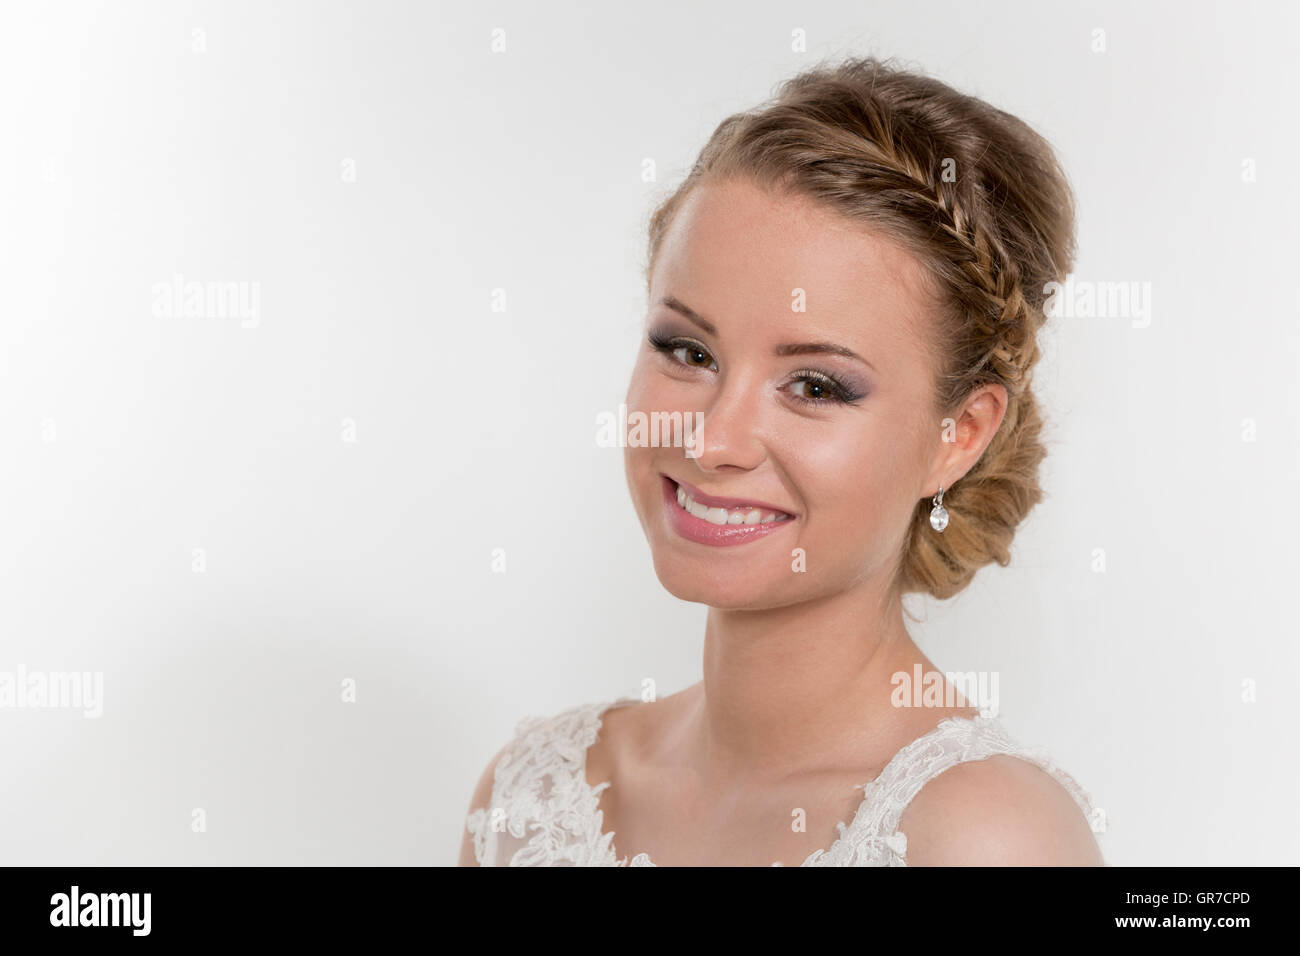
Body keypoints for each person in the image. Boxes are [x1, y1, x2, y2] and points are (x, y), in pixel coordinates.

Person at [459, 55, 1104, 867]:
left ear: (959, 435)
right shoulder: (531, 796)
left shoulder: (985, 839)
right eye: (688, 351)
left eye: (815, 386)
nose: (713, 441)